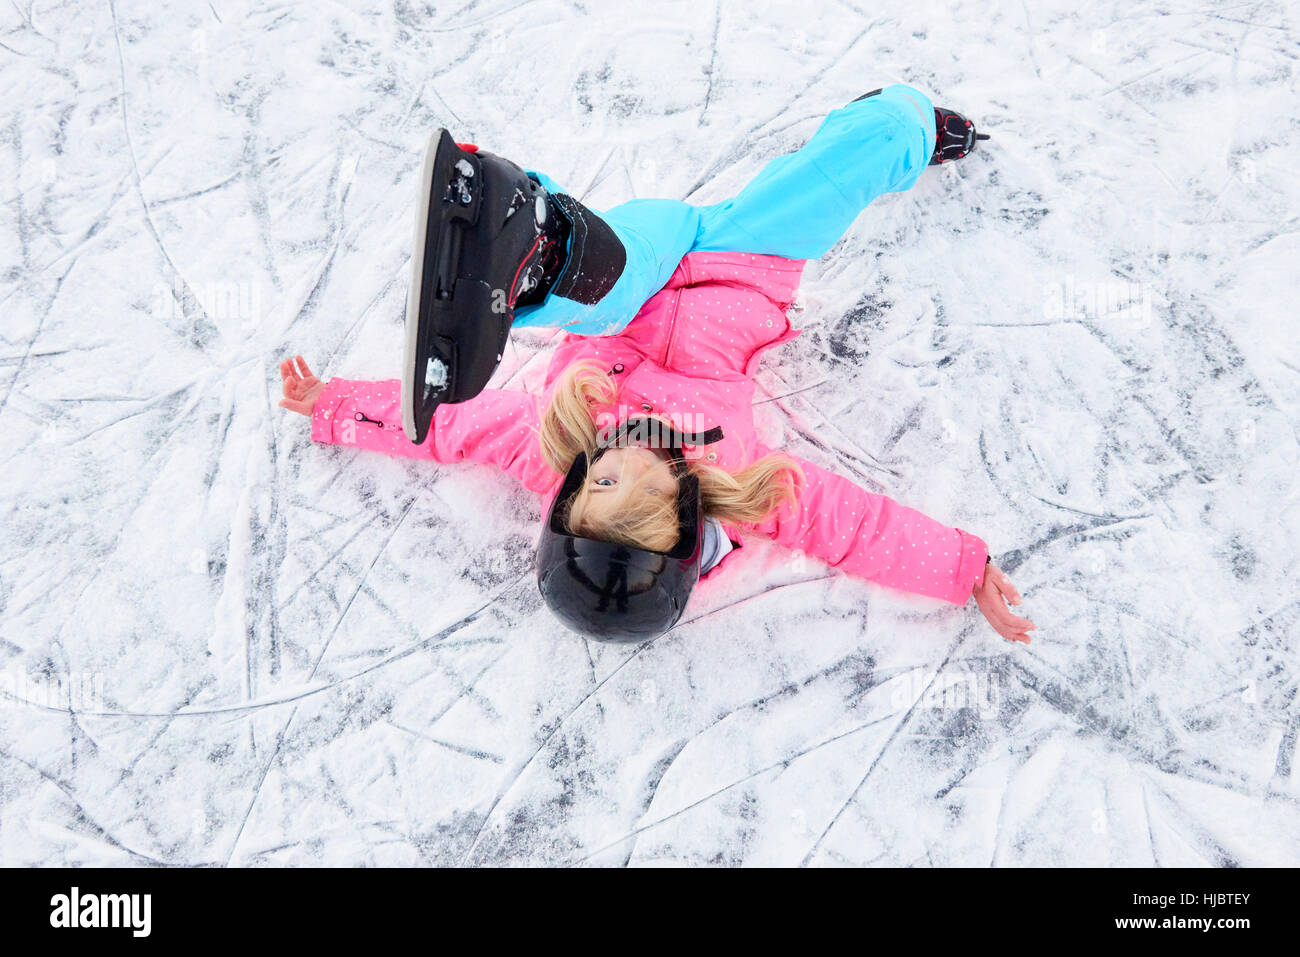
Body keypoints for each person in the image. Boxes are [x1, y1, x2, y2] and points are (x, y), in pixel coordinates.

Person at [280, 85, 1034, 643]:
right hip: (747, 259)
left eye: (605, 481)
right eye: (654, 490)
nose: (633, 459)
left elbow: (448, 427)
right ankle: (914, 126)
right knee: (880, 139)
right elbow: (857, 527)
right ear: (688, 517)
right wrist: (964, 568)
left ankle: (540, 249)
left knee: (608, 294)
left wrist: (332, 404)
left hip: (634, 275)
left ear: (572, 494)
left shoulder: (550, 441)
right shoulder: (739, 486)